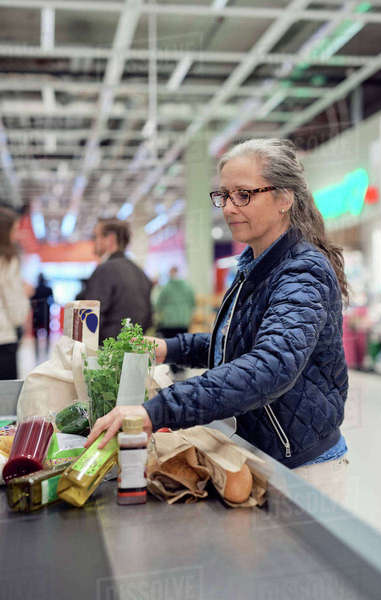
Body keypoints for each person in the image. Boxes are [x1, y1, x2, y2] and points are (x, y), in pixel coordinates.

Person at [87, 139, 349, 500]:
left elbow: (271, 364)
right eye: (223, 195)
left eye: (244, 194)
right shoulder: (254, 266)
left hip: (304, 467)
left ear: (284, 199)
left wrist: (159, 409)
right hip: (262, 451)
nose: (228, 208)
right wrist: (168, 347)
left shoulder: (302, 271)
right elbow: (236, 344)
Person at [82, 218, 152, 343]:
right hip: (133, 350)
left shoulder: (104, 270)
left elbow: (91, 318)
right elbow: (148, 317)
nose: (94, 242)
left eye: (96, 237)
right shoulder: (141, 272)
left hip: (106, 352)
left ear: (110, 239)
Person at [0, 206, 30, 379]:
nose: (16, 234)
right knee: (5, 399)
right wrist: (24, 292)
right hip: (4, 338)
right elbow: (16, 310)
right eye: (14, 229)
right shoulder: (8, 259)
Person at [155, 266, 195, 373]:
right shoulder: (187, 286)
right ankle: (182, 368)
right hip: (183, 321)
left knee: (171, 347)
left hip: (169, 322)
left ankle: (174, 369)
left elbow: (158, 304)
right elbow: (192, 302)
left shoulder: (166, 287)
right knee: (184, 345)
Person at [30, 273, 53, 359]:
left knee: (36, 333)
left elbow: (31, 301)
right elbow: (52, 300)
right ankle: (46, 351)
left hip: (37, 313)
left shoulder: (35, 289)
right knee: (47, 333)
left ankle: (37, 352)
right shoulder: (48, 289)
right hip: (46, 313)